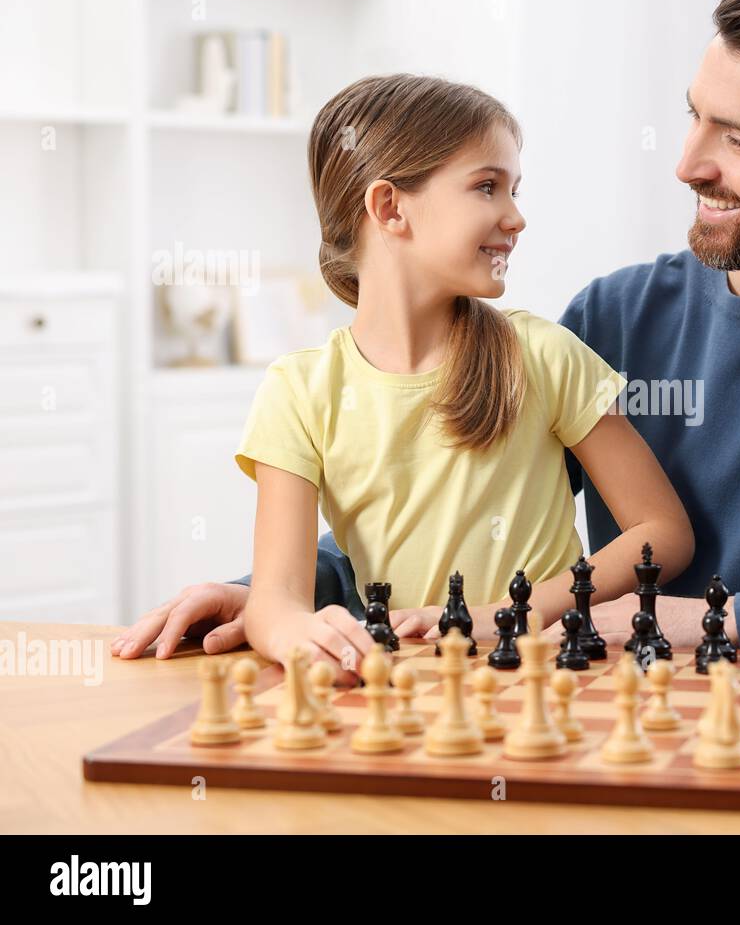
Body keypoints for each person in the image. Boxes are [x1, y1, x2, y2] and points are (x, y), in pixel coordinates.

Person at [115, 0, 740, 668]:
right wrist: (267, 593)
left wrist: (714, 616)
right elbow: (460, 511)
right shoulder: (615, 317)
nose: (688, 161)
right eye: (694, 115)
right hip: (624, 728)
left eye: (736, 138)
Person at [119, 74, 693, 678]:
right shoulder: (298, 391)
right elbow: (275, 601)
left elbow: (663, 531)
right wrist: (300, 635)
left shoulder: (546, 354)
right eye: (488, 187)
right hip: (402, 689)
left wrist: (514, 612)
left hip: (543, 682)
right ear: (390, 207)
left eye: (514, 189)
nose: (516, 216)